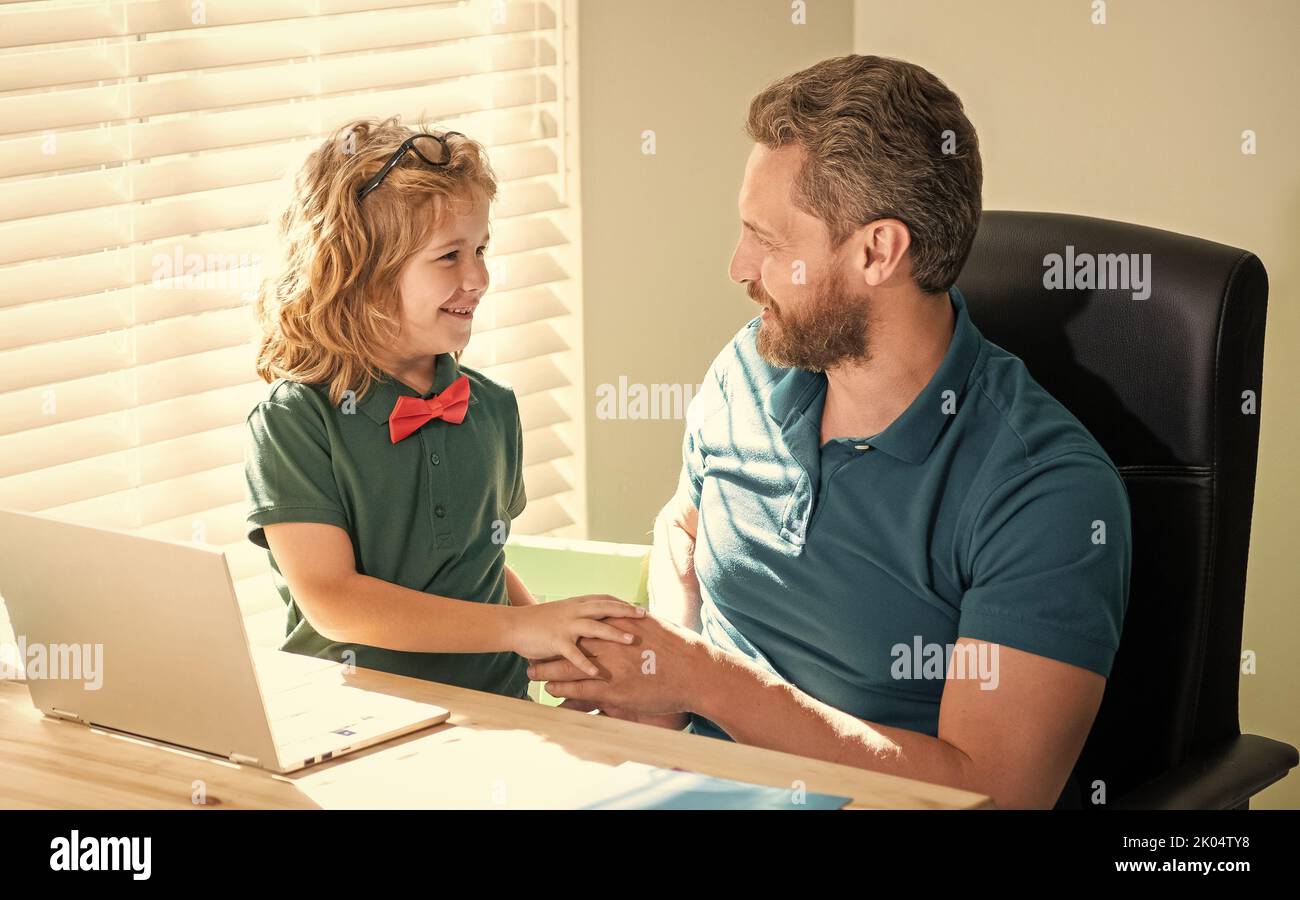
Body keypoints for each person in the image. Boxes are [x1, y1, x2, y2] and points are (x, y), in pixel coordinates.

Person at [532, 56, 1131, 809]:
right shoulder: (751, 367)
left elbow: (995, 791)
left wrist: (704, 679)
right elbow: (684, 526)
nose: (738, 266)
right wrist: (663, 686)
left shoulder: (1044, 491)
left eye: (765, 238)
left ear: (878, 251)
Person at [244, 118, 643, 700]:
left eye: (480, 249)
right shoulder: (295, 423)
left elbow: (479, 567)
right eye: (449, 256)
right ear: (359, 273)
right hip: (354, 720)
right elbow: (334, 602)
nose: (478, 277)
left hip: (495, 713)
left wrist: (559, 652)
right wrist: (520, 627)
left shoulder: (491, 409)